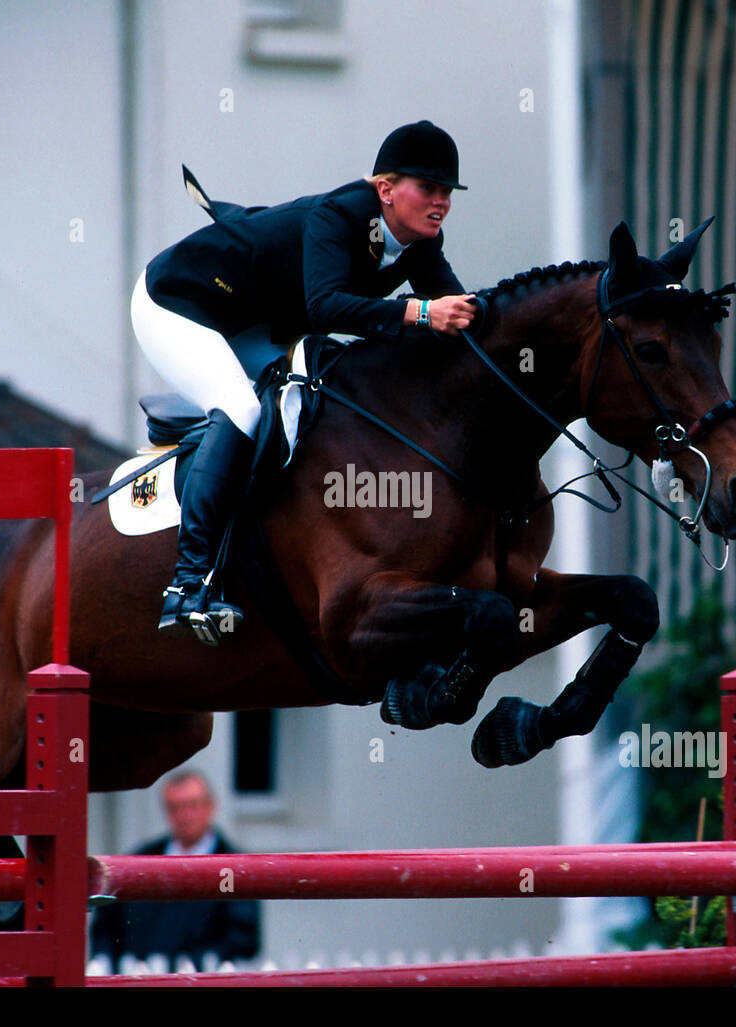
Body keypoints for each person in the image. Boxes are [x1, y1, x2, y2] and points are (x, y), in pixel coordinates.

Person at [132, 120, 478, 644]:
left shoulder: (421, 241)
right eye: (428, 188)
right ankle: (188, 584)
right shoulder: (339, 215)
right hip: (178, 301)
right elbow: (327, 306)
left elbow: (460, 318)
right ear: (385, 190)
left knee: (313, 406)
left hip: (251, 320)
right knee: (242, 409)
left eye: (447, 192)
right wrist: (422, 312)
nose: (441, 202)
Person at [89, 770, 261, 973]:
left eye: (192, 806)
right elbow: (106, 925)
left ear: (210, 807)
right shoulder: (140, 859)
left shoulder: (237, 865)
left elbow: (245, 938)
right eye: (175, 808)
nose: (184, 816)